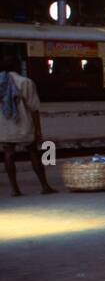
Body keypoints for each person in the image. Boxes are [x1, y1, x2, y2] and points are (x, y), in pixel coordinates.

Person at [0, 54, 56, 196]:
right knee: (33, 152)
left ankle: (14, 189)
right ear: (18, 66)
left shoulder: (1, 82)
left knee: (9, 154)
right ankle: (44, 186)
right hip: (24, 124)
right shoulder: (26, 82)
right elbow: (34, 108)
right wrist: (38, 129)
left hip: (4, 124)